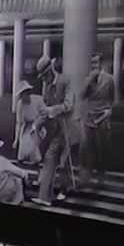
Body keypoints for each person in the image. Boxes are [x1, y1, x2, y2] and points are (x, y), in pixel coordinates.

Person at [34, 55, 75, 206]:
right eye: (42, 77)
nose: (43, 79)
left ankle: (47, 196)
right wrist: (37, 123)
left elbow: (69, 105)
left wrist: (52, 110)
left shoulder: (65, 81)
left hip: (67, 127)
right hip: (55, 130)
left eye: (44, 75)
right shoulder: (48, 87)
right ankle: (53, 192)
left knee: (57, 160)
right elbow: (44, 109)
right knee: (56, 160)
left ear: (50, 70)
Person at [79, 52, 115, 187]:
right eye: (93, 63)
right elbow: (82, 96)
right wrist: (89, 81)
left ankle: (101, 175)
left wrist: (108, 111)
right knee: (85, 147)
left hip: (103, 118)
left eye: (97, 63)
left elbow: (112, 98)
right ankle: (85, 176)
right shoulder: (87, 79)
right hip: (89, 117)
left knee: (102, 148)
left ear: (102, 64)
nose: (95, 66)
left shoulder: (109, 79)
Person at [13, 81, 43, 165]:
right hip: (27, 127)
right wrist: (16, 139)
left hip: (39, 124)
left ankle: (36, 160)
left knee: (33, 142)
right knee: (24, 141)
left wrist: (36, 124)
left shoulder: (38, 99)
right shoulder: (20, 105)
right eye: (22, 94)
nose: (24, 96)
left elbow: (44, 114)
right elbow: (18, 122)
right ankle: (22, 159)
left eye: (25, 93)